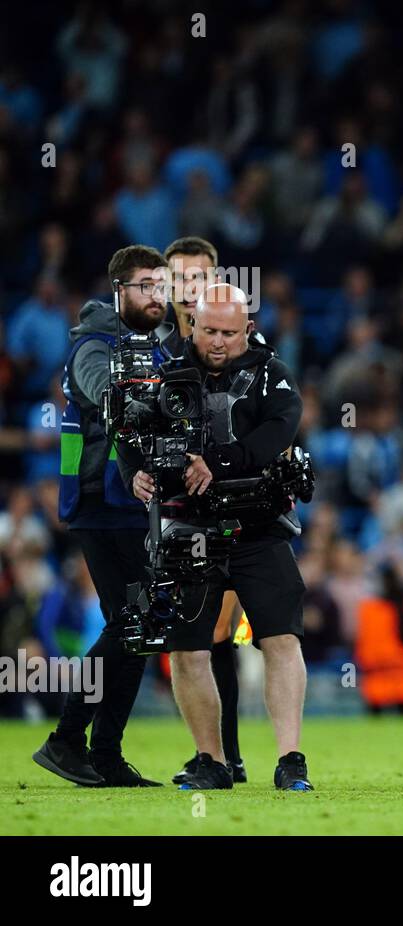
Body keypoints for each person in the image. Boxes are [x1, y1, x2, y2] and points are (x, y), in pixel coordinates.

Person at [126, 284, 312, 790]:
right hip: (188, 527)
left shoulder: (269, 370)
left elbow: (284, 426)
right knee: (186, 647)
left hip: (257, 525)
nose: (217, 341)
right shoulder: (163, 373)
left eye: (229, 333)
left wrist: (220, 462)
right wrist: (133, 474)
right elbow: (131, 430)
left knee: (280, 636)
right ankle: (210, 760)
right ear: (193, 324)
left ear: (247, 329)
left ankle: (290, 758)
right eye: (208, 330)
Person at [31, 245, 179, 788]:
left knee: (144, 627)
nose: (155, 297)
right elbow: (100, 389)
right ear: (119, 289)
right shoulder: (94, 345)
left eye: (161, 287)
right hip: (103, 502)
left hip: (136, 505)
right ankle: (68, 739)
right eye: (145, 286)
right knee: (133, 623)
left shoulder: (152, 349)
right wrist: (142, 396)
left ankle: (105, 753)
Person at [163, 235, 248, 784]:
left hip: (234, 509)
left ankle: (226, 755)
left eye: (200, 278)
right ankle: (212, 754)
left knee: (219, 631)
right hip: (168, 507)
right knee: (181, 634)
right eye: (181, 279)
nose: (190, 289)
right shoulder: (154, 349)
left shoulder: (241, 344)